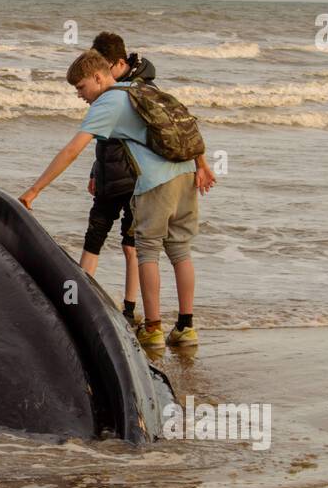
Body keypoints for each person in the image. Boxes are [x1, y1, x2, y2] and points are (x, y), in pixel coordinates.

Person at [19, 48, 215, 349]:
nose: (80, 95)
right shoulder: (138, 88)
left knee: (147, 251)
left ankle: (152, 330)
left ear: (98, 77)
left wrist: (35, 189)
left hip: (156, 182)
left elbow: (72, 150)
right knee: (180, 251)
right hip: (186, 173)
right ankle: (186, 328)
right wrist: (202, 165)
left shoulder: (107, 102)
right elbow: (183, 122)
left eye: (81, 87)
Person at [81, 31, 156, 326]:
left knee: (131, 244)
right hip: (108, 173)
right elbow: (101, 133)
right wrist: (94, 171)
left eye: (101, 65)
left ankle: (129, 309)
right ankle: (79, 301)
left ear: (118, 63)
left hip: (138, 179)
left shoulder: (143, 90)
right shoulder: (108, 89)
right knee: (94, 238)